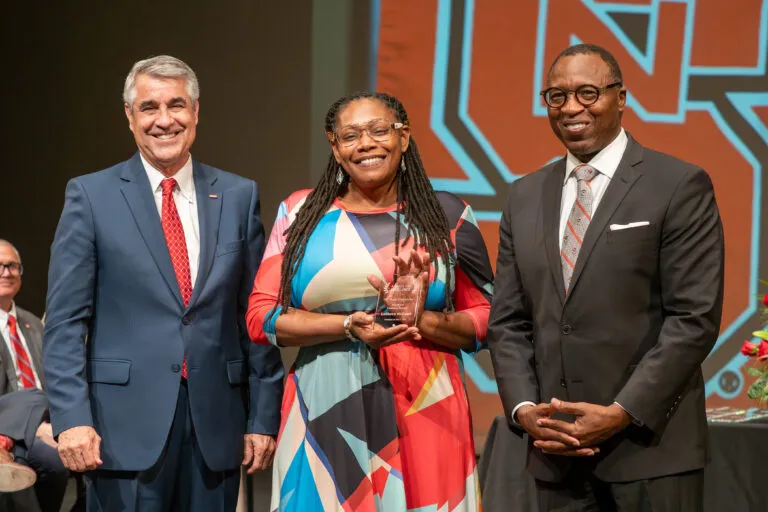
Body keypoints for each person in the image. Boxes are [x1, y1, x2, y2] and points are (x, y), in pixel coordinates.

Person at [487, 43, 725, 511]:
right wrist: (524, 411)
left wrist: (620, 413)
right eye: (556, 96)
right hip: (555, 456)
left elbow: (693, 319)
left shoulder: (677, 184)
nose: (571, 107)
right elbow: (508, 321)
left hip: (650, 453)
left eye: (588, 92)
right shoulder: (524, 195)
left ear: (621, 97)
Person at [42, 55, 284, 511]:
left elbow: (254, 316)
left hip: (216, 429)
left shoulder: (237, 195)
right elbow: (65, 323)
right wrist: (71, 418)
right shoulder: (90, 196)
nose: (164, 120)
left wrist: (263, 417)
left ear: (196, 112)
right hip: (119, 433)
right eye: (149, 107)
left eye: (177, 105)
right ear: (129, 117)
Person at [247, 91, 494, 511]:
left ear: (404, 137)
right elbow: (261, 317)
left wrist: (424, 319)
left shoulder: (447, 215)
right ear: (335, 147)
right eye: (351, 135)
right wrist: (345, 326)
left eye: (380, 130)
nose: (366, 144)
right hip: (323, 403)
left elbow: (489, 317)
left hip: (426, 404)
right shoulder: (300, 212)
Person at [0, 240, 69, 511]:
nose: (6, 273)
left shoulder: (34, 324)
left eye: (12, 266)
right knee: (31, 399)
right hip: (9, 422)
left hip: (48, 422)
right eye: (0, 266)